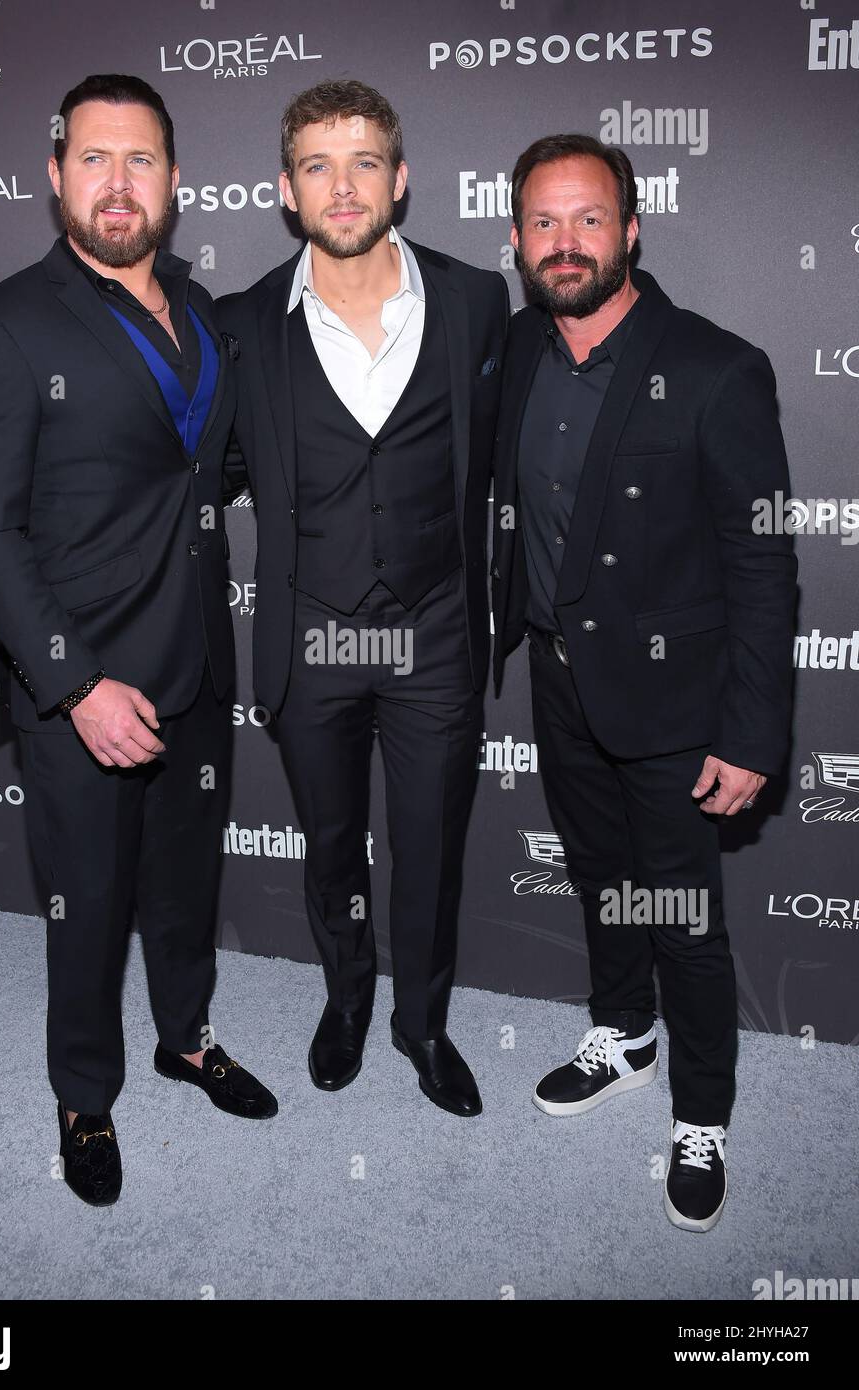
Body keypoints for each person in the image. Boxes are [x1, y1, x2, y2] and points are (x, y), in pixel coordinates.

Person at [0, 73, 276, 1208]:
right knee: (85, 905)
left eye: (140, 160)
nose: (117, 182)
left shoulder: (205, 313)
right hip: (79, 679)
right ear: (55, 175)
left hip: (195, 662)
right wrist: (76, 685)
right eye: (94, 157)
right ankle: (84, 1095)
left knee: (185, 888)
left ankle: (186, 1037)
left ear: (175, 182)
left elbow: (206, 470)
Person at [491, 133, 796, 1229]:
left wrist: (754, 727)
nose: (563, 243)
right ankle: (623, 1034)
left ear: (629, 230)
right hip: (557, 674)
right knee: (600, 876)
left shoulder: (715, 368)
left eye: (585, 220)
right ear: (517, 237)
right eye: (541, 222)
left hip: (675, 702)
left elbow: (761, 559)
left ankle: (700, 1108)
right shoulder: (518, 351)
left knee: (680, 913)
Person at [218, 80, 508, 1115]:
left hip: (432, 630)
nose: (343, 187)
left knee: (430, 846)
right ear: (287, 192)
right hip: (312, 633)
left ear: (401, 178)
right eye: (316, 165)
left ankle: (420, 1023)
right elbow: (193, 476)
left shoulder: (478, 298)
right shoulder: (241, 324)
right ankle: (347, 998)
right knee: (333, 842)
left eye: (364, 162)